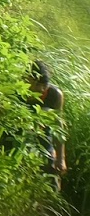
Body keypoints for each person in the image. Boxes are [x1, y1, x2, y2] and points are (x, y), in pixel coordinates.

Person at [28, 59, 68, 189]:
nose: (39, 92)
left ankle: (51, 197)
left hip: (44, 133)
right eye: (33, 85)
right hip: (20, 132)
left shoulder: (55, 95)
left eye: (42, 88)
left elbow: (58, 126)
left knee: (51, 165)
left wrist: (61, 158)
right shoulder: (17, 92)